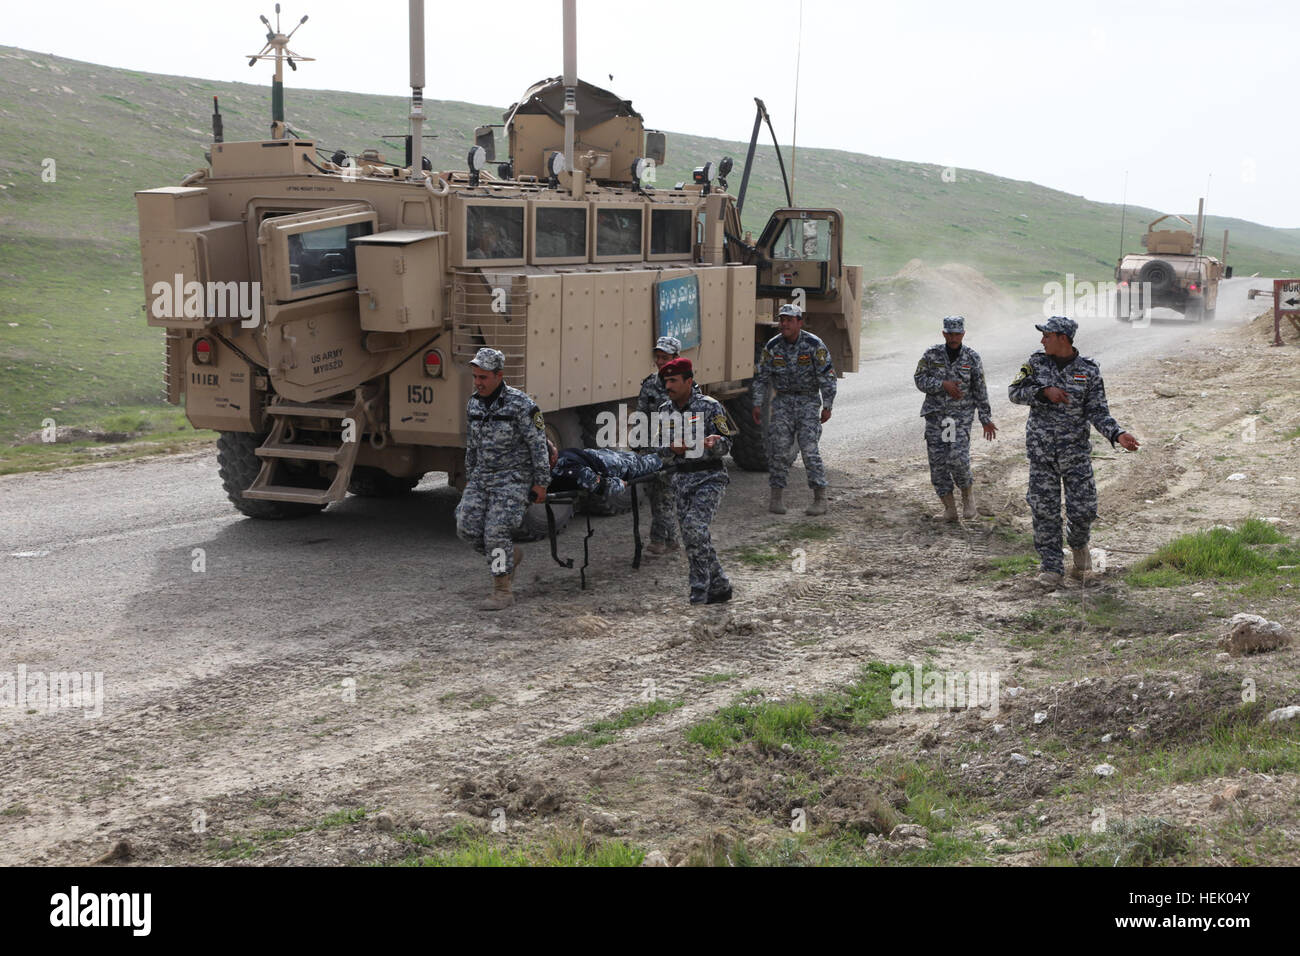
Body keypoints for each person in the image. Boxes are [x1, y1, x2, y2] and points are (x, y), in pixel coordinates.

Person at [1008, 316, 1140, 588]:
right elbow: (1014, 392)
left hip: (1075, 453)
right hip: (1041, 452)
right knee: (1044, 511)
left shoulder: (1088, 370)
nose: (1042, 340)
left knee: (1083, 510)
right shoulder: (1035, 363)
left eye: (1047, 335)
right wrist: (1043, 392)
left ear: (1063, 338)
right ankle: (1051, 568)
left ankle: (1079, 546)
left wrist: (1118, 434)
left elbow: (1098, 411)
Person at [454, 347, 551, 610]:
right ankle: (509, 557)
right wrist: (470, 479)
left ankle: (502, 590)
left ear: (499, 375)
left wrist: (541, 482)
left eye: (483, 377)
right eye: (475, 376)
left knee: (495, 532)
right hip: (482, 477)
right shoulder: (473, 403)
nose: (477, 382)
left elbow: (538, 445)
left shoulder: (522, 405)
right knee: (465, 527)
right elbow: (472, 446)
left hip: (514, 478)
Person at [658, 358, 734, 604]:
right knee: (692, 537)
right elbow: (657, 447)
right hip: (681, 480)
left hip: (709, 477)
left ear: (688, 381)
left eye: (673, 380)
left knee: (694, 527)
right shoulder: (664, 411)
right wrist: (671, 448)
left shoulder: (710, 407)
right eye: (665, 380)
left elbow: (727, 444)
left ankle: (700, 587)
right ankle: (720, 584)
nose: (668, 385)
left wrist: (716, 443)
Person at [750, 303, 836, 516]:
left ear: (799, 322)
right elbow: (761, 377)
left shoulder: (814, 344)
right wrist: (757, 403)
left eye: (789, 320)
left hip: (808, 402)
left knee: (809, 449)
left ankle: (820, 498)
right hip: (783, 402)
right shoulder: (773, 346)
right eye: (782, 320)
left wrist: (827, 405)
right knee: (778, 450)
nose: (785, 324)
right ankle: (776, 497)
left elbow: (827, 376)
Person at [913, 315, 997, 521]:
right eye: (949, 333)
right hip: (936, 416)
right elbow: (919, 379)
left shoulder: (972, 358)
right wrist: (942, 385)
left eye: (957, 333)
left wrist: (985, 418)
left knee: (957, 458)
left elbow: (980, 389)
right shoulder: (931, 355)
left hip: (959, 418)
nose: (953, 337)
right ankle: (949, 509)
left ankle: (968, 496)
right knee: (938, 464)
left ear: (963, 334)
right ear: (943, 333)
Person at [637, 335, 684, 556]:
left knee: (664, 493)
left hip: (676, 448)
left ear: (676, 358)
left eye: (665, 357)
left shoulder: (687, 385)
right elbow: (641, 417)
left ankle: (660, 539)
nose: (660, 361)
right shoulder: (649, 384)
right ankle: (671, 538)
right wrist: (640, 448)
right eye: (658, 357)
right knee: (653, 493)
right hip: (652, 447)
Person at [547, 441, 665, 498]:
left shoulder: (550, 469)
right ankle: (666, 455)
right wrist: (620, 484)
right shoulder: (572, 471)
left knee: (639, 460)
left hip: (601, 458)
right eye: (554, 447)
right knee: (643, 464)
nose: (556, 448)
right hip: (609, 465)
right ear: (552, 458)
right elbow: (603, 487)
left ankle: (665, 453)